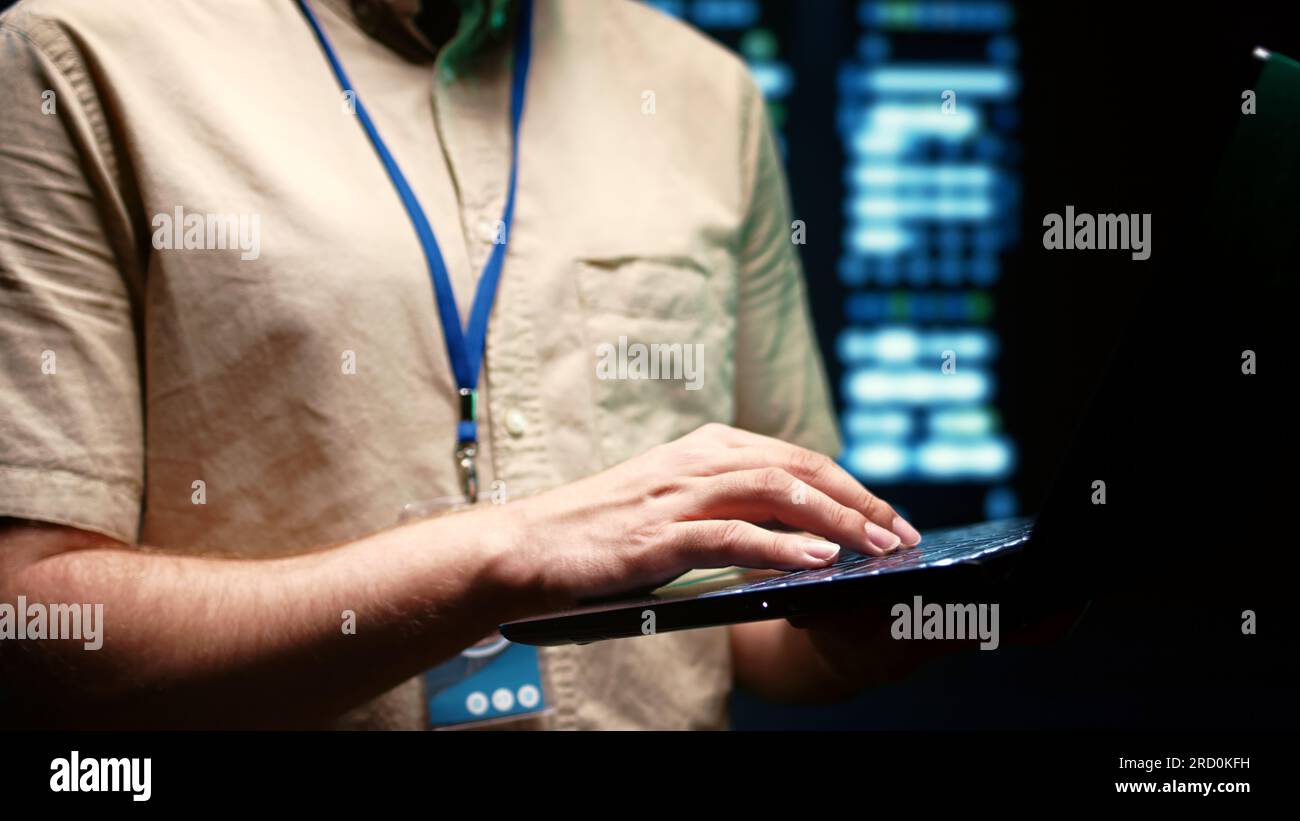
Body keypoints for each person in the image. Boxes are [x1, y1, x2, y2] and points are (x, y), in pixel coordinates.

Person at [0, 0, 924, 730]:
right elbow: (29, 624)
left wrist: (894, 629)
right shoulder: (77, 52)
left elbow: (761, 625)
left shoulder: (706, 92)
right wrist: (508, 552)